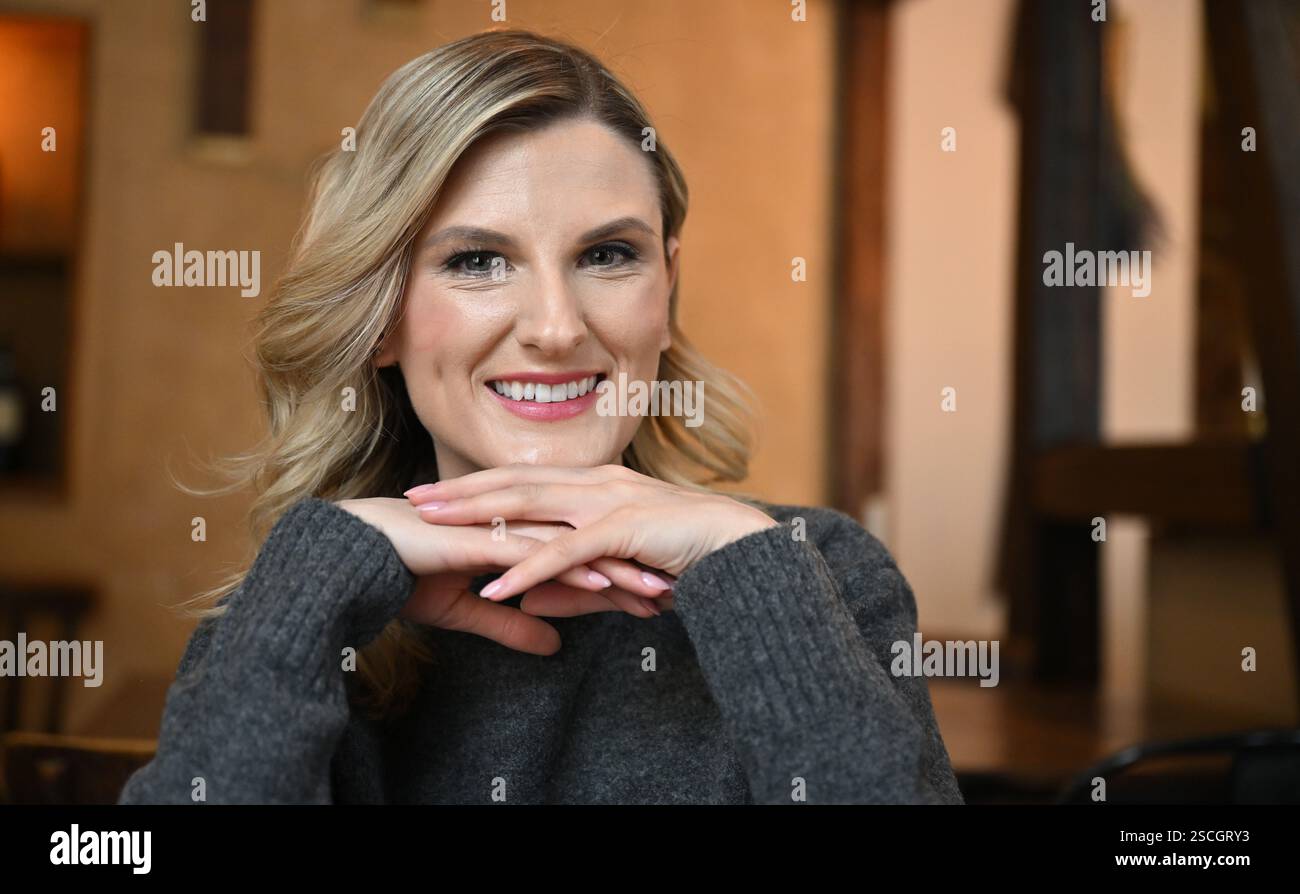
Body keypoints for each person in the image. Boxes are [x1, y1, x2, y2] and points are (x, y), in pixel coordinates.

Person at [118, 29, 964, 805]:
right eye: (478, 261)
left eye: (607, 255)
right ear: (380, 316)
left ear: (666, 289)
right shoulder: (305, 606)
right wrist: (318, 579)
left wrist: (745, 570)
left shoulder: (820, 574)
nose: (556, 329)